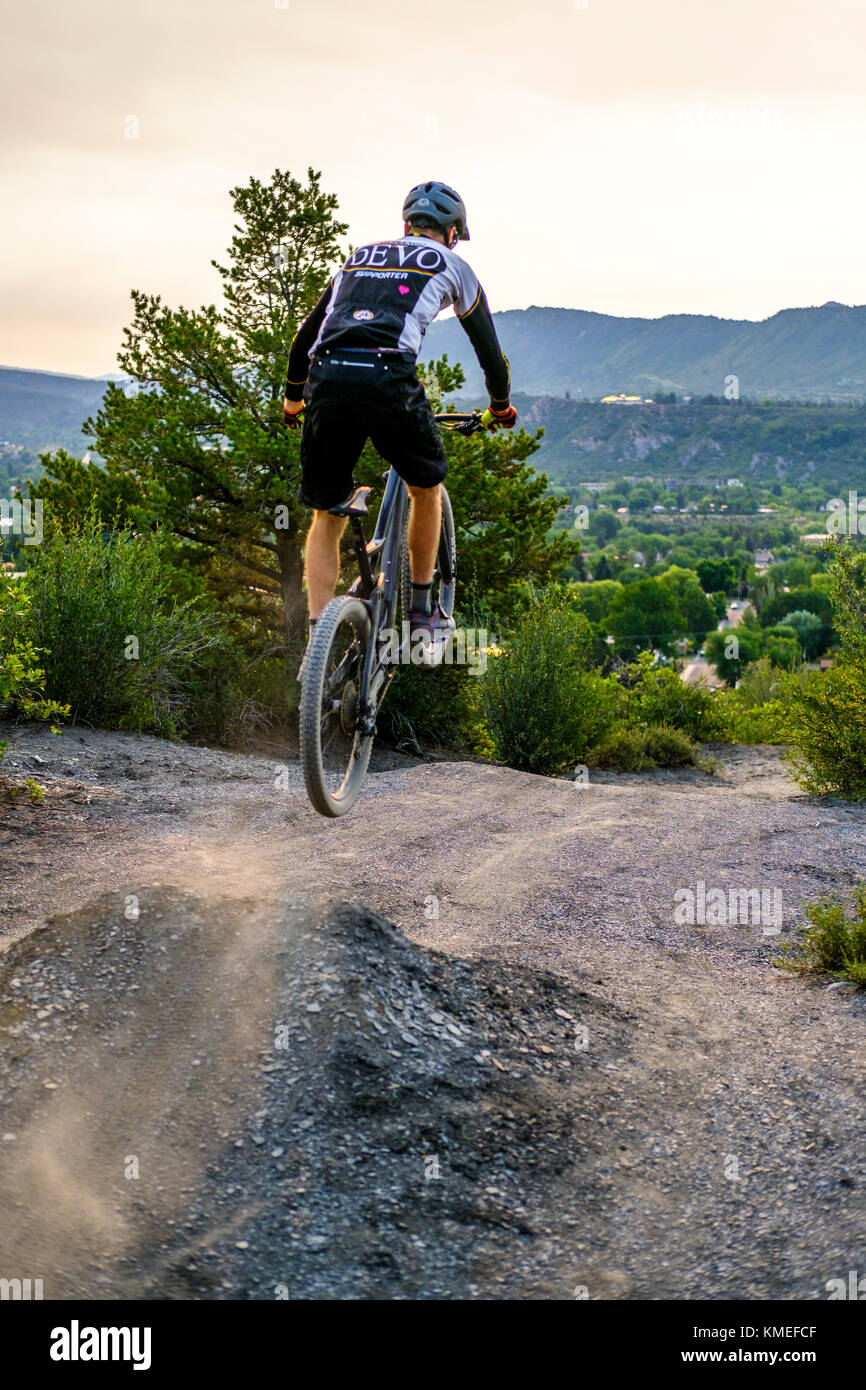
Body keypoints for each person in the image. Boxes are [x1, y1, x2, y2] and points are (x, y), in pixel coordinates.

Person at [282, 180, 516, 662]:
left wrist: (292, 398)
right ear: (452, 233)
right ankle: (422, 614)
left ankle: (315, 641)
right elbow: (490, 352)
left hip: (327, 376)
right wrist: (499, 405)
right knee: (425, 487)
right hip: (389, 376)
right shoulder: (456, 266)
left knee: (324, 512)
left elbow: (307, 335)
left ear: (406, 223)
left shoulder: (359, 257)